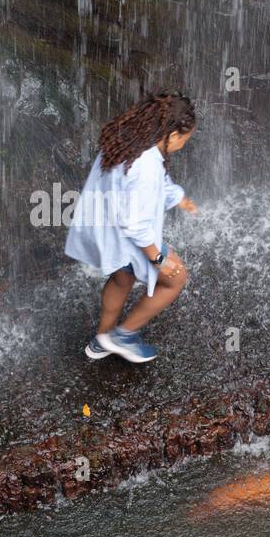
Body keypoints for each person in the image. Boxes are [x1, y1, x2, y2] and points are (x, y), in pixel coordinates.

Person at [64, 91, 198, 363]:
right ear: (172, 135)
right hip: (125, 237)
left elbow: (147, 184)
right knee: (176, 279)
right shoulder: (146, 166)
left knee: (121, 278)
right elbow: (136, 225)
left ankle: (102, 339)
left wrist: (177, 197)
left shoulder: (128, 137)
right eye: (184, 140)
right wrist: (158, 259)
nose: (183, 145)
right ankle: (123, 335)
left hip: (105, 228)